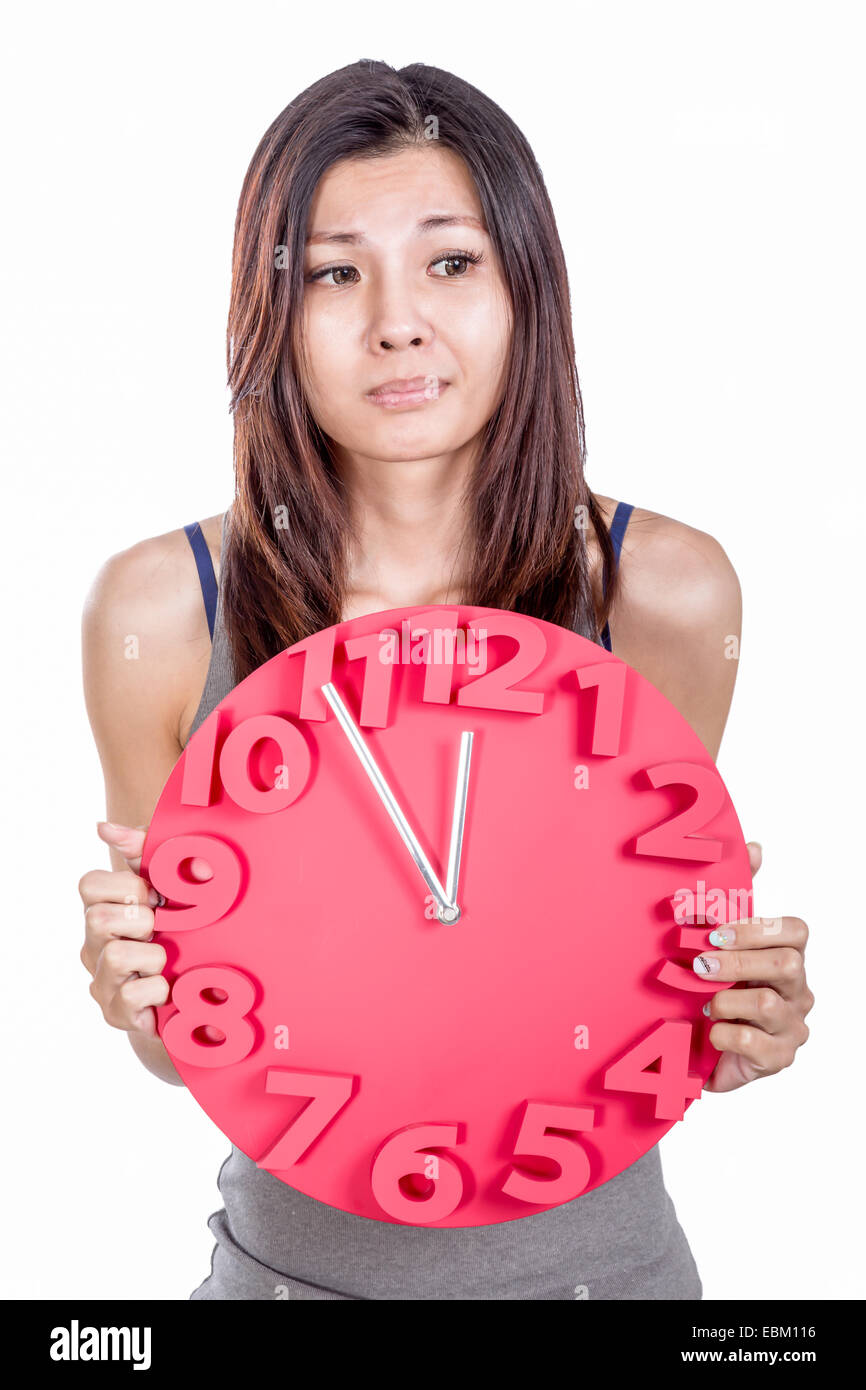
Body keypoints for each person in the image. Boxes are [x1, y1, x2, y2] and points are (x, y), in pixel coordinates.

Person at [78, 60, 813, 1300]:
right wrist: (138, 999)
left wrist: (734, 1020)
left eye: (451, 261)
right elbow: (196, 1046)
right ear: (272, 308)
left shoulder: (665, 591)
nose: (395, 321)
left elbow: (629, 965)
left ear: (526, 284)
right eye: (332, 270)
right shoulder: (163, 608)